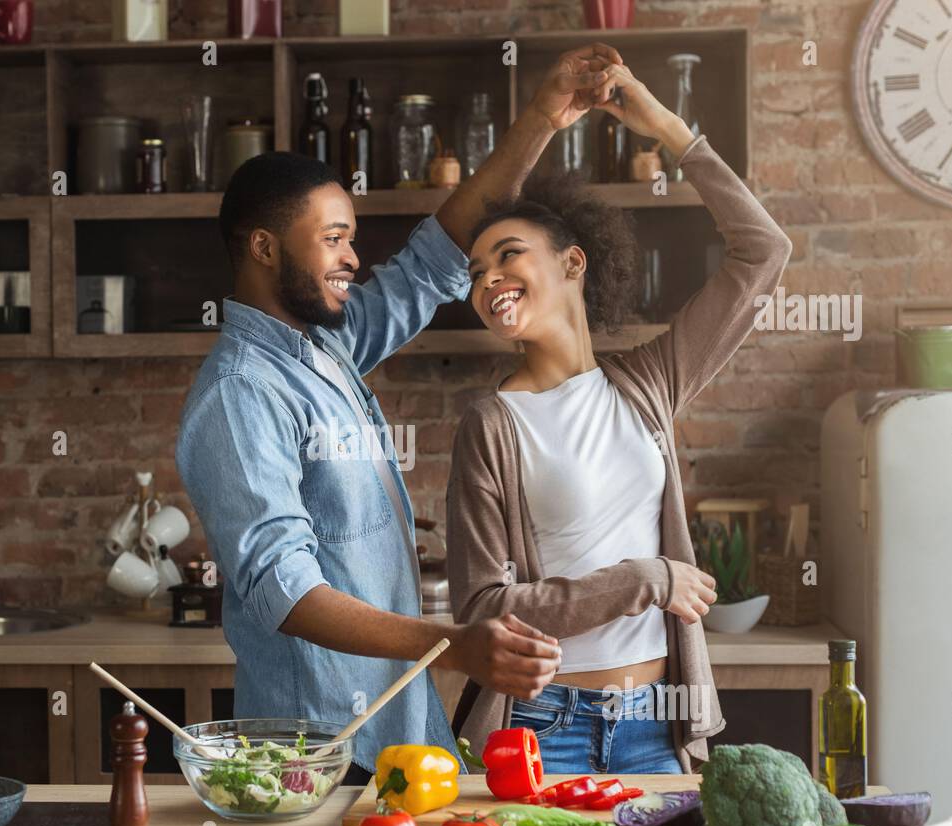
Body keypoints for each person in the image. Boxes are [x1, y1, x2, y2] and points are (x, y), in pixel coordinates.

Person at [177, 48, 626, 783]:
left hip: (393, 727)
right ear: (263, 248)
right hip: (319, 754)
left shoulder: (327, 346)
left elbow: (433, 260)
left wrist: (542, 116)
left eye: (350, 237)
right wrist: (450, 640)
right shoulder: (239, 394)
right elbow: (282, 589)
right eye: (333, 240)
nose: (353, 258)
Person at [448, 62, 794, 775]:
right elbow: (483, 610)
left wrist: (666, 128)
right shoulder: (492, 425)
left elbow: (764, 253)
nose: (488, 281)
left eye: (507, 256)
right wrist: (643, 579)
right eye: (476, 272)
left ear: (573, 263)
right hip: (543, 729)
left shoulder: (649, 384)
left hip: (655, 725)